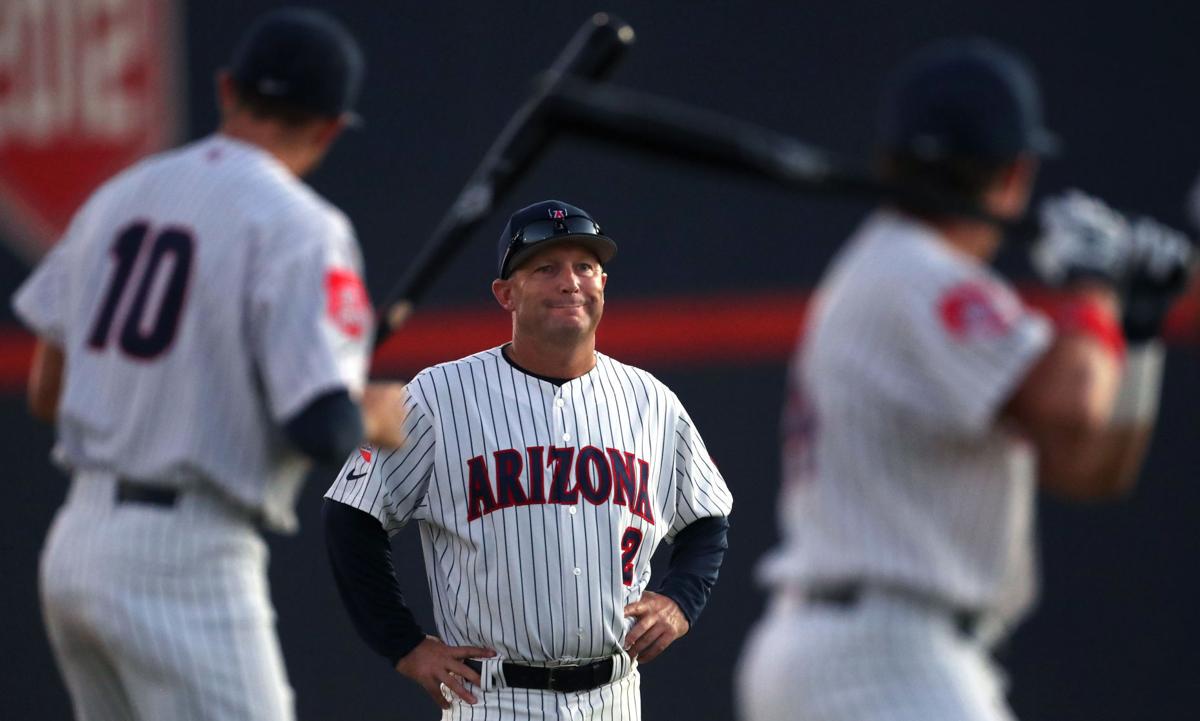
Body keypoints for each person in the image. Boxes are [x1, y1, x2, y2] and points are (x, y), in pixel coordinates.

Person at [736, 38, 1193, 721]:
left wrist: (1137, 331)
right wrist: (1092, 289)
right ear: (1015, 173)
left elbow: (1089, 468)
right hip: (883, 656)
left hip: (866, 651)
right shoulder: (918, 272)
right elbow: (1073, 407)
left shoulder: (892, 269)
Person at [12, 9, 406, 720]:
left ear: (228, 90)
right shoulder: (299, 224)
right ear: (328, 128)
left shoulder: (119, 195)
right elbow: (321, 425)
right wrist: (371, 412)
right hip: (185, 553)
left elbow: (47, 390)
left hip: (76, 545)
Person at [322, 200, 734, 719]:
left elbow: (707, 518)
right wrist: (404, 645)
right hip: (494, 697)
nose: (570, 282)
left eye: (585, 266)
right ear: (505, 294)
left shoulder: (650, 400)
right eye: (545, 268)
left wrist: (680, 602)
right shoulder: (437, 395)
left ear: (603, 282)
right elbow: (350, 513)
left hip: (614, 694)